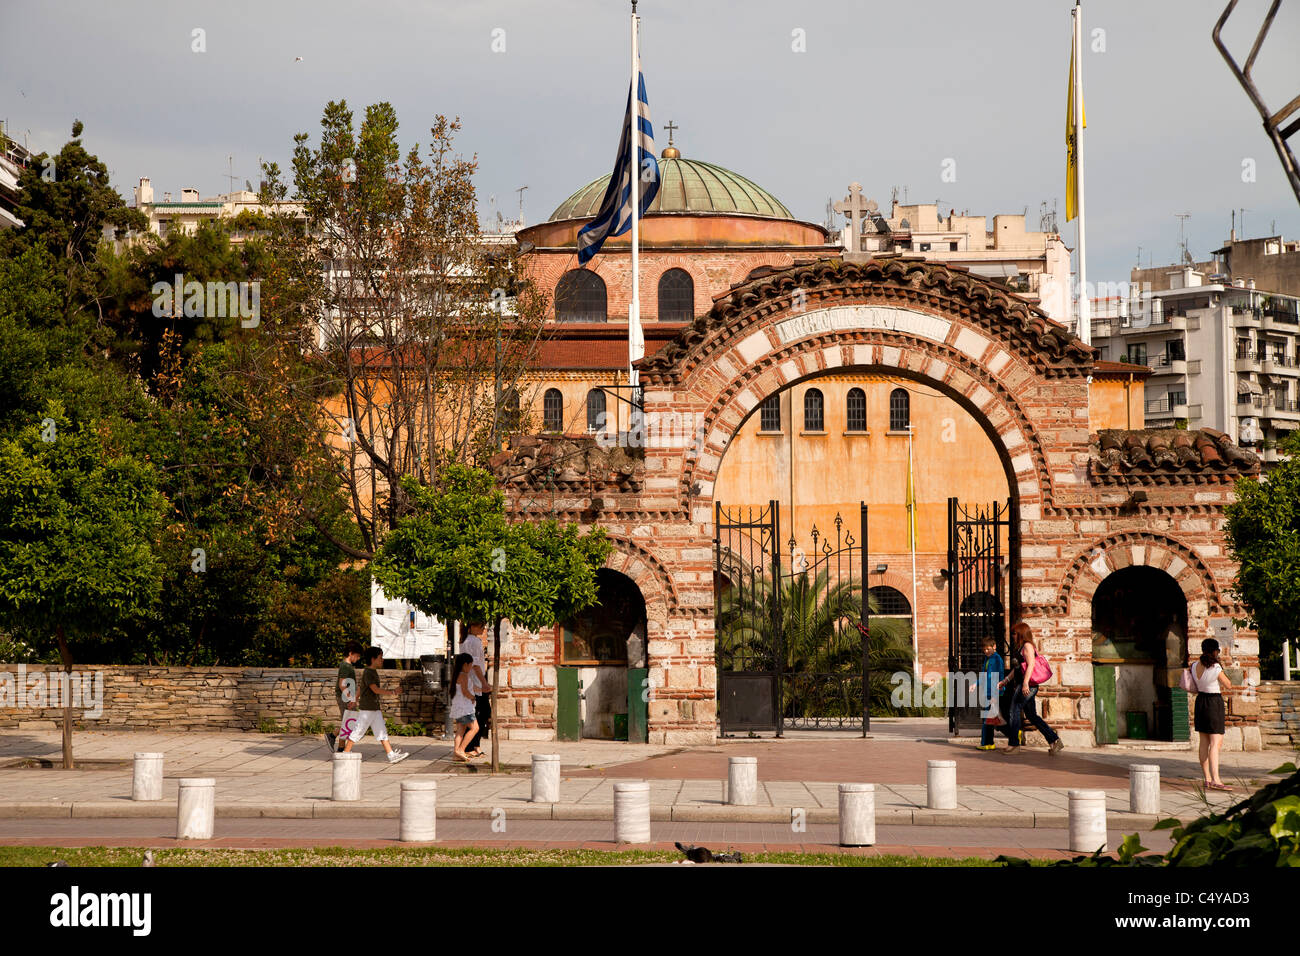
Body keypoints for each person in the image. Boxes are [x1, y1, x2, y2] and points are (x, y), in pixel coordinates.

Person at [997, 621, 1064, 756]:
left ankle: (1014, 744)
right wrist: (1004, 681)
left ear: (1022, 633)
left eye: (1015, 633)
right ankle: (1054, 740)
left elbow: (1031, 665)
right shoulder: (1021, 647)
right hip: (1027, 685)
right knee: (1032, 716)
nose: (1013, 636)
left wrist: (1026, 683)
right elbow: (1017, 669)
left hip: (1027, 685)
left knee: (1013, 711)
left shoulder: (1027, 646)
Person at [341, 648, 409, 764]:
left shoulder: (371, 671)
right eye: (380, 658)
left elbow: (361, 688)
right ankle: (345, 754)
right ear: (373, 659)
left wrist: (355, 699)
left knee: (381, 731)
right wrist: (393, 692)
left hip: (373, 708)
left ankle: (391, 754)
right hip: (368, 708)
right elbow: (375, 690)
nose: (382, 660)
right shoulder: (368, 673)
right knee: (358, 730)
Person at [1190, 637, 1234, 791]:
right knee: (1216, 743)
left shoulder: (1194, 665)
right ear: (1215, 651)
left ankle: (1207, 778)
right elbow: (1228, 684)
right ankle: (1216, 779)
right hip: (1214, 703)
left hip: (1200, 702)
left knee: (1204, 742)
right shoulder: (1215, 667)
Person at [325, 640, 363, 754]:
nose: (358, 658)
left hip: (346, 697)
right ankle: (333, 735)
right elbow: (342, 684)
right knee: (350, 722)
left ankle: (341, 748)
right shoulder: (346, 666)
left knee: (347, 721)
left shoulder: (347, 666)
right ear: (351, 653)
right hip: (344, 698)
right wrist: (351, 699)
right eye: (357, 656)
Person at [460, 622, 492, 758]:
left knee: (483, 713)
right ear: (471, 626)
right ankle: (470, 746)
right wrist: (484, 683)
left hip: (476, 682)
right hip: (475, 682)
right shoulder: (471, 641)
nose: (483, 629)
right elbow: (475, 665)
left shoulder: (471, 640)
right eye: (481, 626)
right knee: (479, 714)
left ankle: (475, 745)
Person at [448, 652, 479, 762]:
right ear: (465, 664)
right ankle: (461, 749)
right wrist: (473, 697)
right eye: (470, 665)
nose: (471, 667)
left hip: (458, 707)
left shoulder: (456, 675)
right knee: (475, 728)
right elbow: (465, 691)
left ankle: (456, 754)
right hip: (465, 708)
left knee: (461, 730)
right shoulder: (463, 675)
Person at [978, 636, 1005, 751]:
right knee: (990, 719)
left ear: (994, 647)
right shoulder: (987, 659)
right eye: (984, 649)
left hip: (994, 693)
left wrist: (995, 695)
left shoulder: (997, 659)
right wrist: (976, 683)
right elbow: (985, 675)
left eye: (988, 649)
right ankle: (989, 743)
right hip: (988, 692)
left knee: (989, 719)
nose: (986, 651)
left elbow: (998, 677)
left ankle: (986, 743)